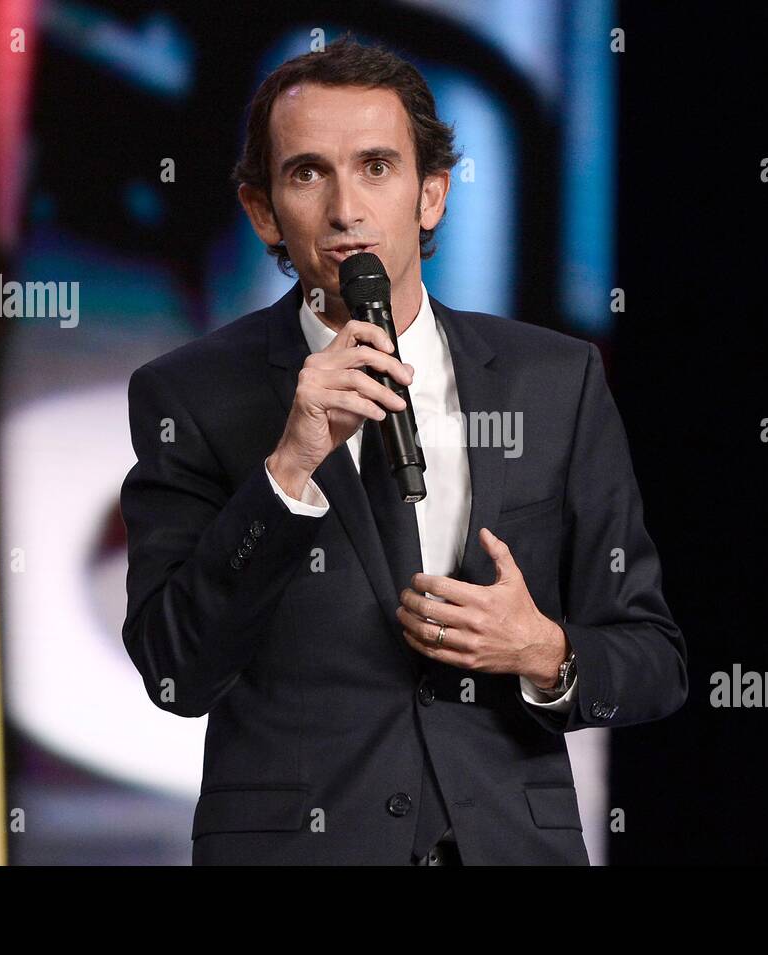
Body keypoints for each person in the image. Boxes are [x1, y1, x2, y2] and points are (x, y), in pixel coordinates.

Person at [120, 37, 687, 865]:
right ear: (262, 210)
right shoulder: (191, 395)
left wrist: (541, 650)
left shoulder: (554, 381)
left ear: (432, 196)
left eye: (377, 167)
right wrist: (288, 468)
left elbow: (654, 659)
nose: (347, 208)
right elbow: (178, 671)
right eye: (309, 172)